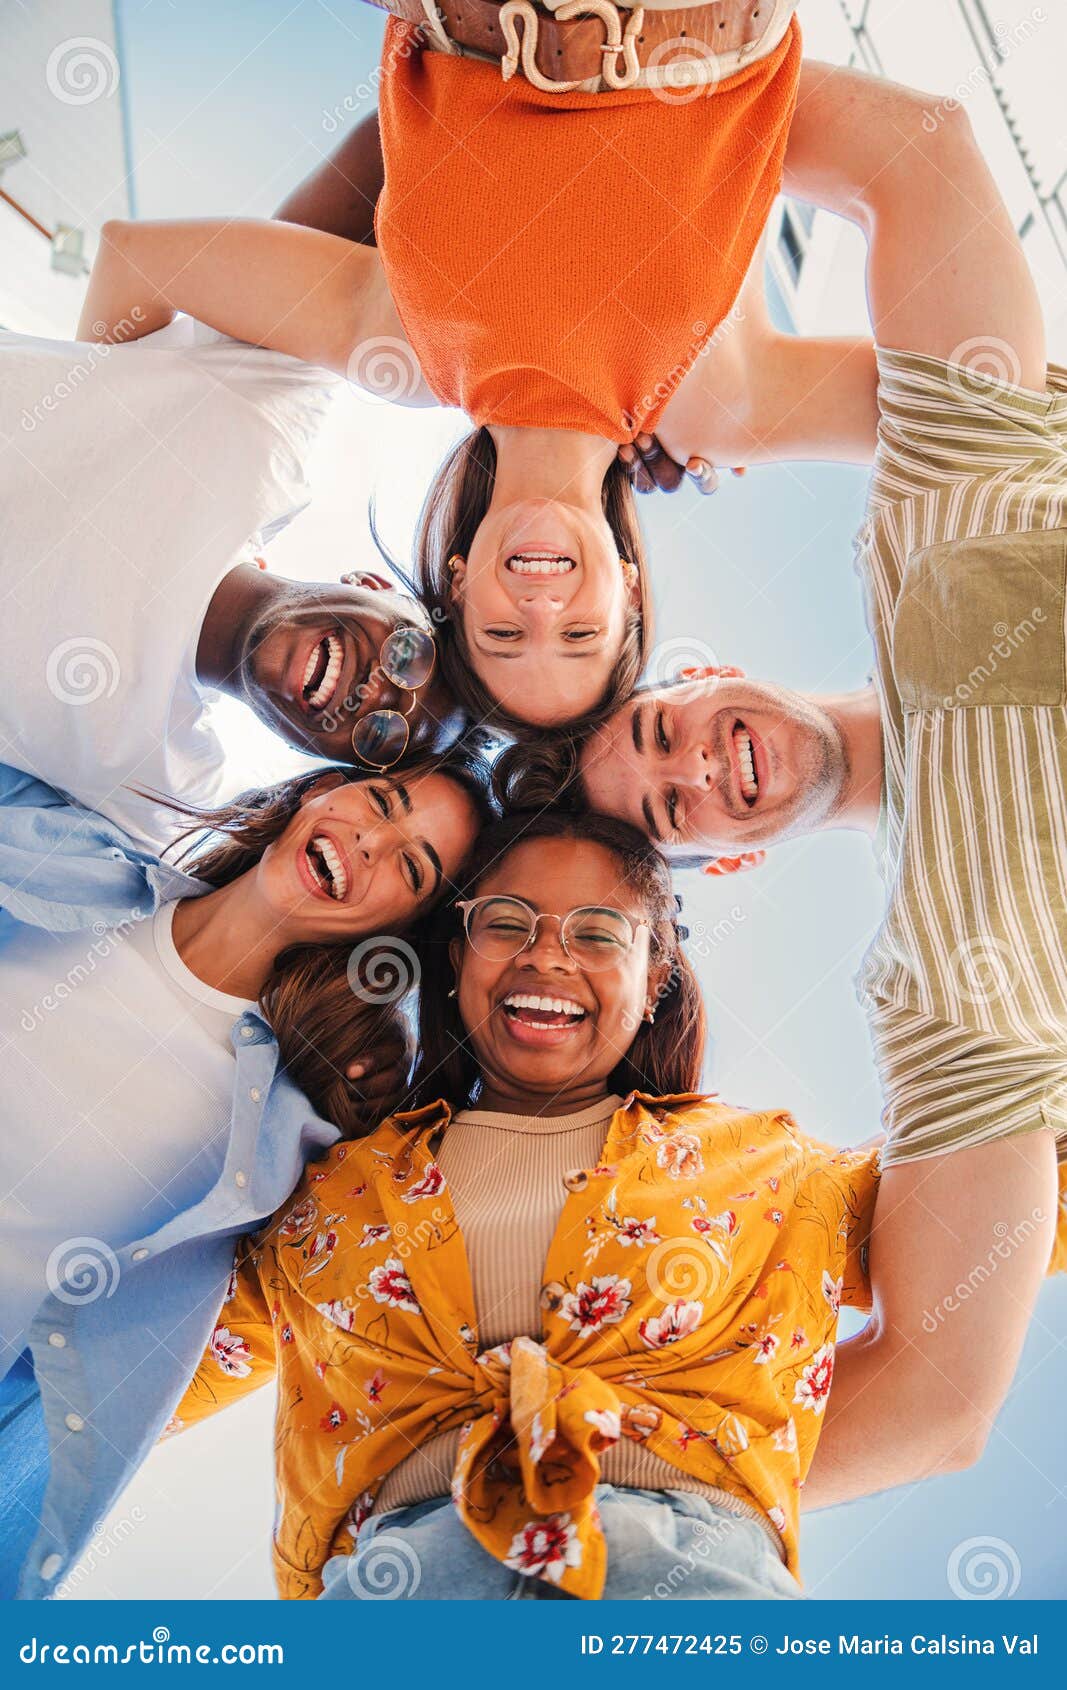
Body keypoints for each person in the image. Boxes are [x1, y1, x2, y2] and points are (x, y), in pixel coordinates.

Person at [500, 61, 1067, 1504]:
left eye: (662, 729)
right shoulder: (941, 990)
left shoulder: (934, 502)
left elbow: (920, 148)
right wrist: (596, 1499)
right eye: (670, 806)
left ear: (704, 673)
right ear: (727, 858)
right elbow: (933, 1397)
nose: (698, 765)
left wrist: (650, 81)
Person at [162, 812, 1067, 1599]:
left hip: (687, 1582)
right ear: (456, 955)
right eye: (505, 923)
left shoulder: (773, 1172)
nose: (546, 953)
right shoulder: (328, 1199)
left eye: (598, 933)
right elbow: (127, 1386)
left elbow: (1011, 1194)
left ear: (655, 976)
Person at [75, 1, 805, 733]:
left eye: (503, 635)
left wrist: (95, 455)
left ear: (457, 588)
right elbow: (804, 131)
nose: (541, 610)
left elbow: (396, 149)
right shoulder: (707, 399)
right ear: (630, 589)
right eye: (580, 635)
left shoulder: (408, 356)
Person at [0, 746, 490, 1599]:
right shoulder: (71, 856)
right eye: (380, 802)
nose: (370, 842)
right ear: (322, 791)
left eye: (410, 867)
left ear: (398, 933)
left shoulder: (286, 1131)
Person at [1, 274, 458, 853]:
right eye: (407, 655)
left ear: (314, 760)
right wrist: (95, 374)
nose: (373, 694)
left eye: (381, 737)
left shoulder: (160, 783)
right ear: (374, 584)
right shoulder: (270, 413)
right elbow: (145, 256)